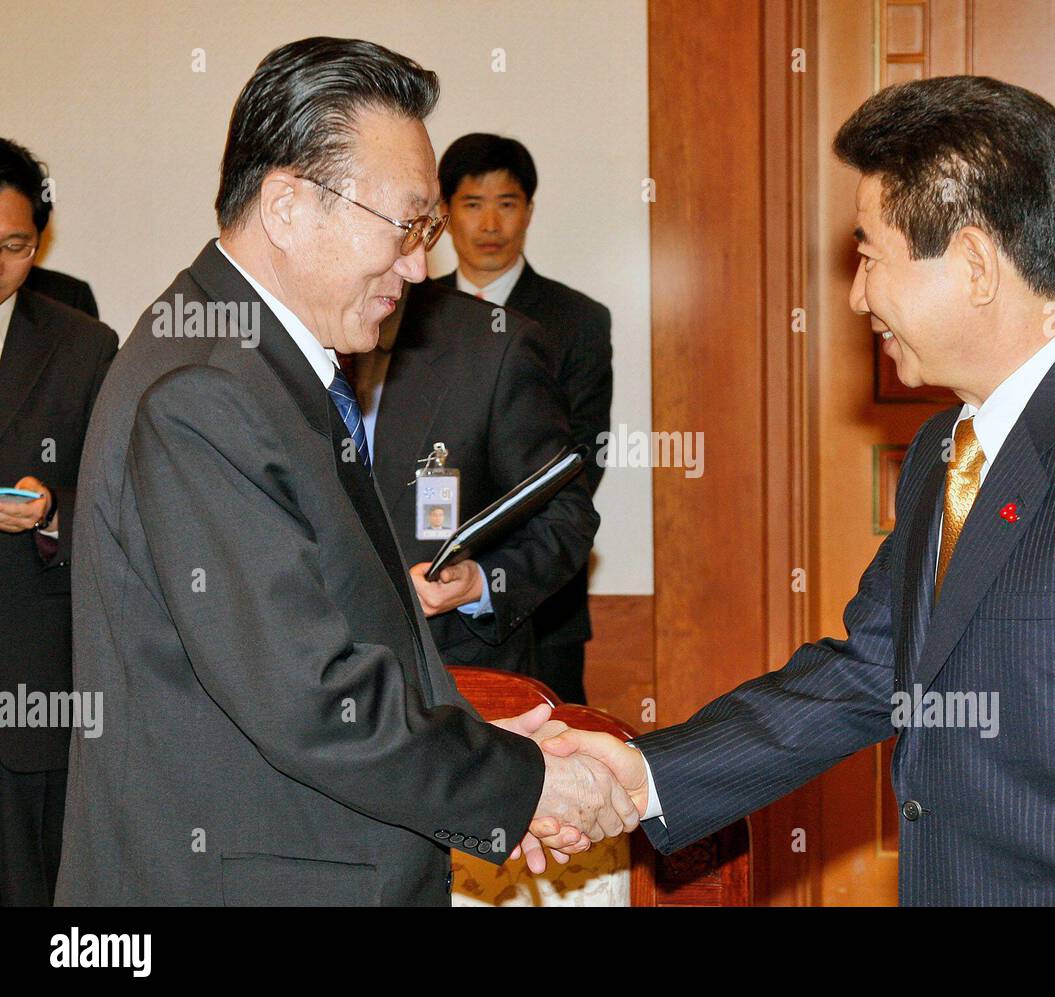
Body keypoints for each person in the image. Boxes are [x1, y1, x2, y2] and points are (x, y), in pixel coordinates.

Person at [542, 75, 1055, 906]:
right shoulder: (949, 447)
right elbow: (871, 670)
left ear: (973, 263)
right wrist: (646, 772)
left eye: (868, 256)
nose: (858, 296)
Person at [56, 36, 633, 907]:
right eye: (405, 226)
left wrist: (474, 738)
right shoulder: (205, 387)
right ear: (289, 206)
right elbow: (309, 698)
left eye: (426, 230)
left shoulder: (257, 360)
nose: (419, 265)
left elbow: (340, 638)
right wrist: (523, 784)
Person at [434, 133, 612, 703]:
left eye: (506, 204)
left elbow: (581, 458)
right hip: (426, 592)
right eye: (472, 204)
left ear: (528, 211)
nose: (490, 223)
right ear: (443, 212)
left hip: (542, 598)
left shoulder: (578, 319)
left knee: (554, 759)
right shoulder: (408, 315)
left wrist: (485, 559)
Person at [358, 258, 598, 678]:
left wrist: (479, 583)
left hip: (455, 679)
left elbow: (565, 518)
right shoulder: (275, 337)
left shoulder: (494, 343)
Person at [0, 138, 117, 905]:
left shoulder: (83, 346)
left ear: (38, 242)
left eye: (12, 246)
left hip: (27, 681)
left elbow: (118, 505)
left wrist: (51, 512)